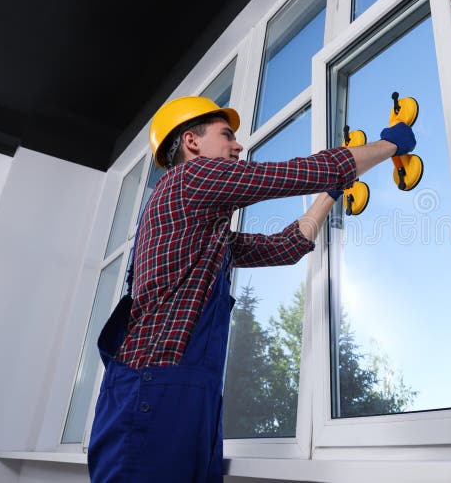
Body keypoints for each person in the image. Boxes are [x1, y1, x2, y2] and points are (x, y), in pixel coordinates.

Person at [87, 95, 416, 482]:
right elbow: (292, 175)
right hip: (153, 395)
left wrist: (333, 190)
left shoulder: (205, 237)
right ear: (192, 143)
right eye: (226, 134)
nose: (238, 145)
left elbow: (286, 247)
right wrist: (390, 144)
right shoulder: (189, 178)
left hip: (184, 399)